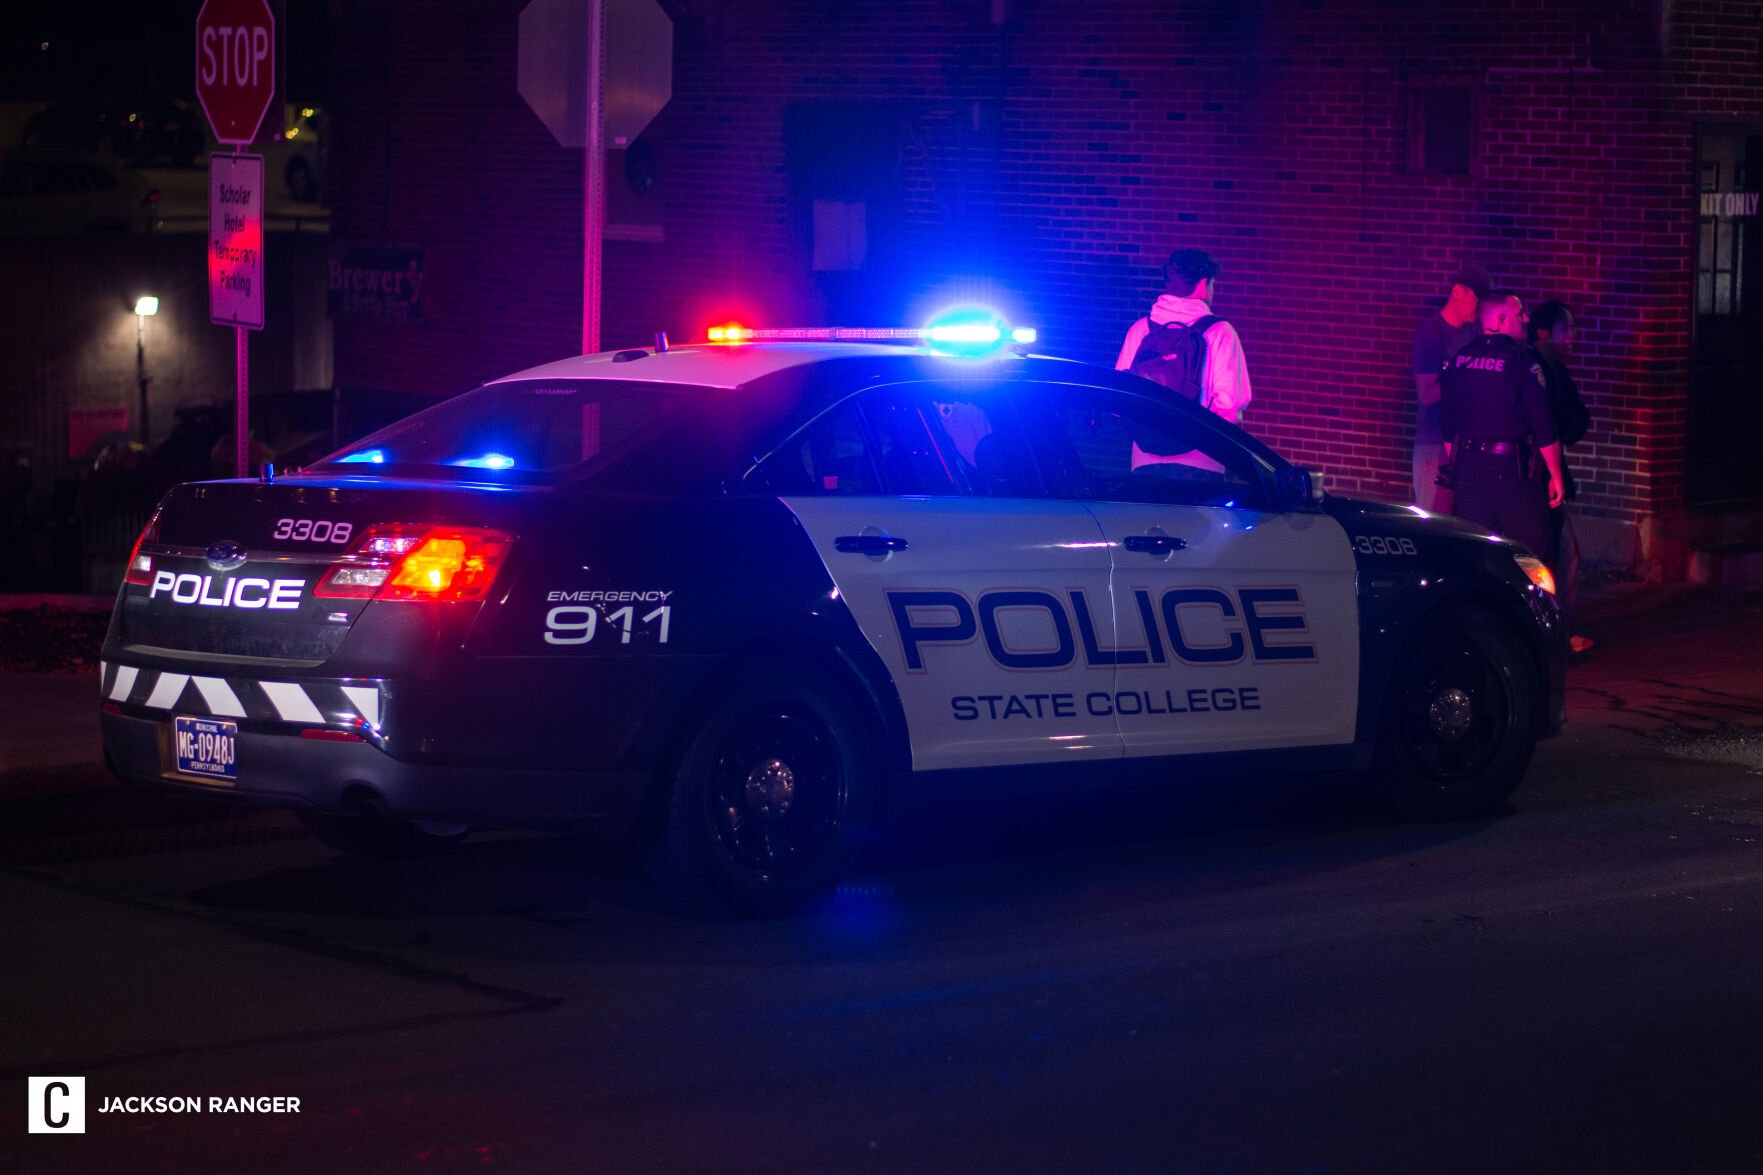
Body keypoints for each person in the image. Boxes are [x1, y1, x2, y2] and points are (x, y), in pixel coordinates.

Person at [1439, 290, 1564, 561]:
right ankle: (1532, 605)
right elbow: (1543, 424)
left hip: (1468, 472)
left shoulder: (1461, 359)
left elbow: (1447, 424)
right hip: (1511, 474)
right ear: (1502, 319)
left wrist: (1459, 466)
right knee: (1532, 557)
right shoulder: (1522, 362)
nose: (1526, 318)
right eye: (1520, 314)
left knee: (1476, 557)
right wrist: (1555, 474)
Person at [1115, 248, 1251, 426]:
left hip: (1144, 446)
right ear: (1204, 284)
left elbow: (1119, 392)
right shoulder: (1219, 332)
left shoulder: (1141, 329)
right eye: (1212, 285)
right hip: (1200, 449)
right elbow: (1230, 407)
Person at [1530, 301, 1594, 655]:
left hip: (1543, 480)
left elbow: (1572, 424)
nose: (1572, 336)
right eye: (1564, 329)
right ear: (1543, 332)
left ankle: (1560, 631)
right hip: (1535, 481)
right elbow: (1554, 427)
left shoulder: (1554, 372)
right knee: (1558, 555)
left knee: (1562, 555)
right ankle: (1558, 633)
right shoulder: (1535, 370)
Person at [1412, 264, 1492, 512]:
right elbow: (1426, 396)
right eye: (1478, 298)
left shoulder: (1477, 333)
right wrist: (1465, 372)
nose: (1481, 308)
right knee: (1435, 521)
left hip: (1469, 444)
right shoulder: (1432, 334)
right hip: (1435, 444)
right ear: (1458, 292)